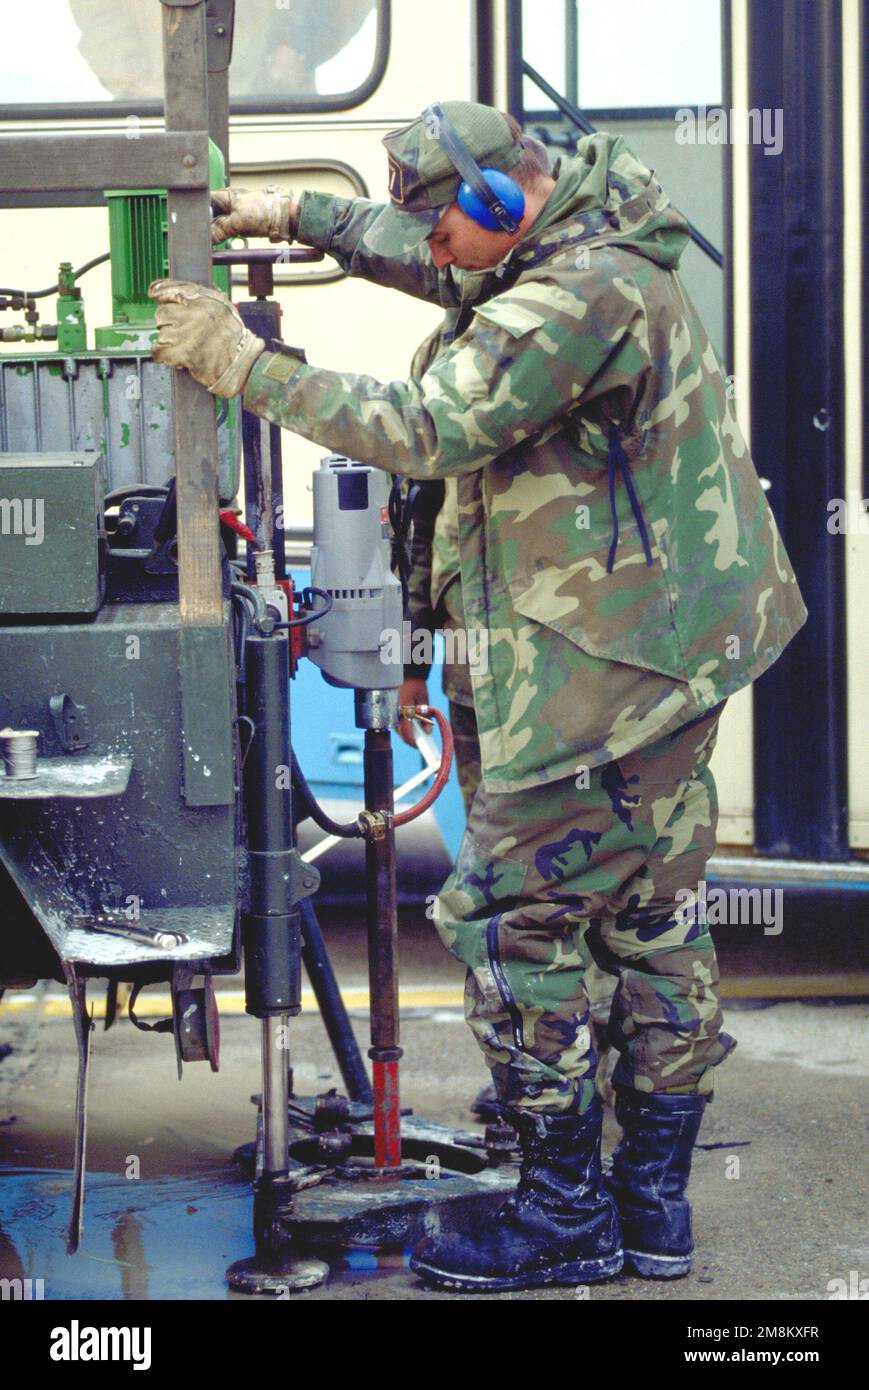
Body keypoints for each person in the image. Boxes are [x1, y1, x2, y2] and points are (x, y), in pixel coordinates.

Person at [149, 100, 808, 1292]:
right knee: (647, 913)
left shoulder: (576, 297)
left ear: (501, 201)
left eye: (445, 226)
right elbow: (430, 252)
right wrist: (306, 214)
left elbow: (428, 424)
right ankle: (649, 1209)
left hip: (597, 668)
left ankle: (565, 1217)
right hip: (647, 649)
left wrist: (246, 366)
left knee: (513, 921)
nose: (434, 252)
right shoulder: (558, 237)